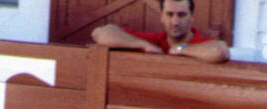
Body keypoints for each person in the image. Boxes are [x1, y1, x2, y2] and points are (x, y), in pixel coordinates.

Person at [91, 0, 230, 63]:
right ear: (162, 17)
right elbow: (100, 33)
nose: (175, 22)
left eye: (181, 15)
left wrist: (182, 49)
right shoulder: (152, 40)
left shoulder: (202, 43)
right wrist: (142, 45)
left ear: (192, 17)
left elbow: (221, 52)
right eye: (170, 15)